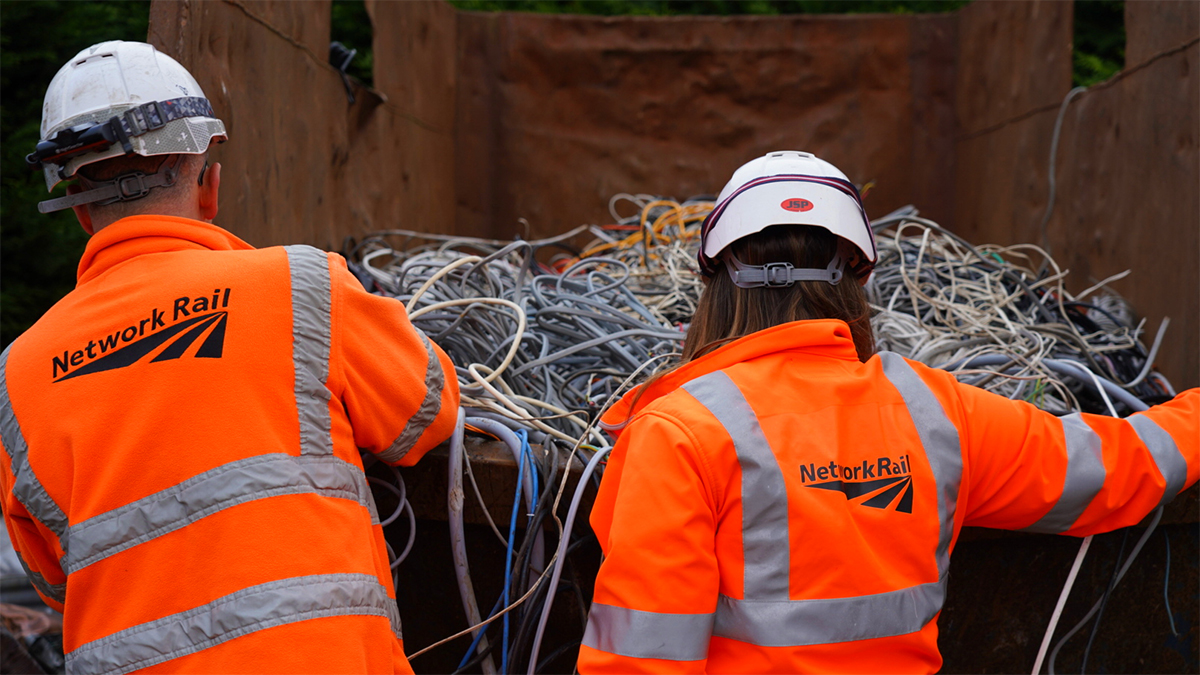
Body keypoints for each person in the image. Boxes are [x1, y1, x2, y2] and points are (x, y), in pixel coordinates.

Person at [576, 150, 1198, 673]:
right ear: (854, 277)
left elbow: (641, 658)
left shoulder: (680, 434)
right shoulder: (935, 409)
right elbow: (1117, 467)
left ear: (715, 284)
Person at [1, 41, 458, 674]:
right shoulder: (302, 287)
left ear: (78, 208)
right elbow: (425, 416)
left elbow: (56, 575)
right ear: (209, 182)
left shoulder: (18, 374)